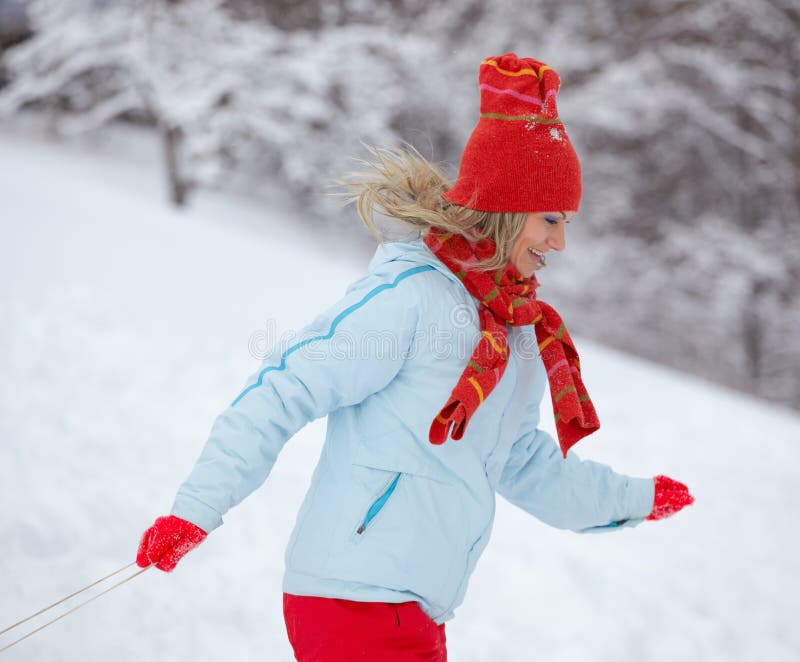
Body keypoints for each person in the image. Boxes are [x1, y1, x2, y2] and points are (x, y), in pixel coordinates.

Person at [136, 52, 694, 661]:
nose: (560, 242)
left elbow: (523, 463)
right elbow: (284, 387)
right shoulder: (411, 296)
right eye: (550, 220)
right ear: (506, 210)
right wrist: (195, 508)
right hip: (353, 598)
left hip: (416, 609)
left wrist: (633, 499)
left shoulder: (514, 329)